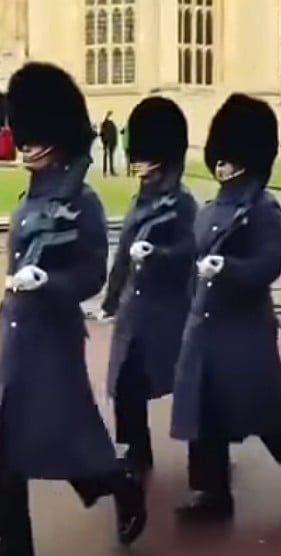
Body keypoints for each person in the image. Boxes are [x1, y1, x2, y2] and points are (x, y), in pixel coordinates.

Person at [0, 62, 146, 556]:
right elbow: (13, 266)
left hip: (54, 339)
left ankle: (119, 482)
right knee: (5, 437)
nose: (27, 146)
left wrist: (51, 284)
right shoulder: (29, 200)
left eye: (37, 137)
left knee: (66, 435)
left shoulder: (81, 201)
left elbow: (91, 271)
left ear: (59, 139)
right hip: (20, 333)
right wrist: (5, 313)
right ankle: (12, 543)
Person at [170, 93, 281, 521]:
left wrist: (229, 267)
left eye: (229, 157)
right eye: (219, 156)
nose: (220, 165)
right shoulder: (212, 207)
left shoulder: (263, 209)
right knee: (204, 406)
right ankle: (212, 492)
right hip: (205, 322)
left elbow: (268, 266)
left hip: (245, 325)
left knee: (262, 402)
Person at [100, 96, 197, 478]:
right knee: (126, 385)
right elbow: (123, 253)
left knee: (193, 386)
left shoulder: (184, 203)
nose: (137, 166)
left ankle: (208, 458)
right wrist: (110, 298)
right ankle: (135, 452)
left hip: (171, 311)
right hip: (135, 310)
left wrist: (157, 253)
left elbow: (191, 250)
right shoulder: (138, 199)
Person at [100, 111, 118, 176]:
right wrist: (104, 142)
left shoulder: (112, 125)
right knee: (106, 157)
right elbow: (101, 134)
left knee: (110, 157)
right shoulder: (105, 124)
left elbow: (115, 135)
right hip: (107, 142)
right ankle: (105, 172)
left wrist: (115, 143)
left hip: (111, 143)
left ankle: (111, 171)